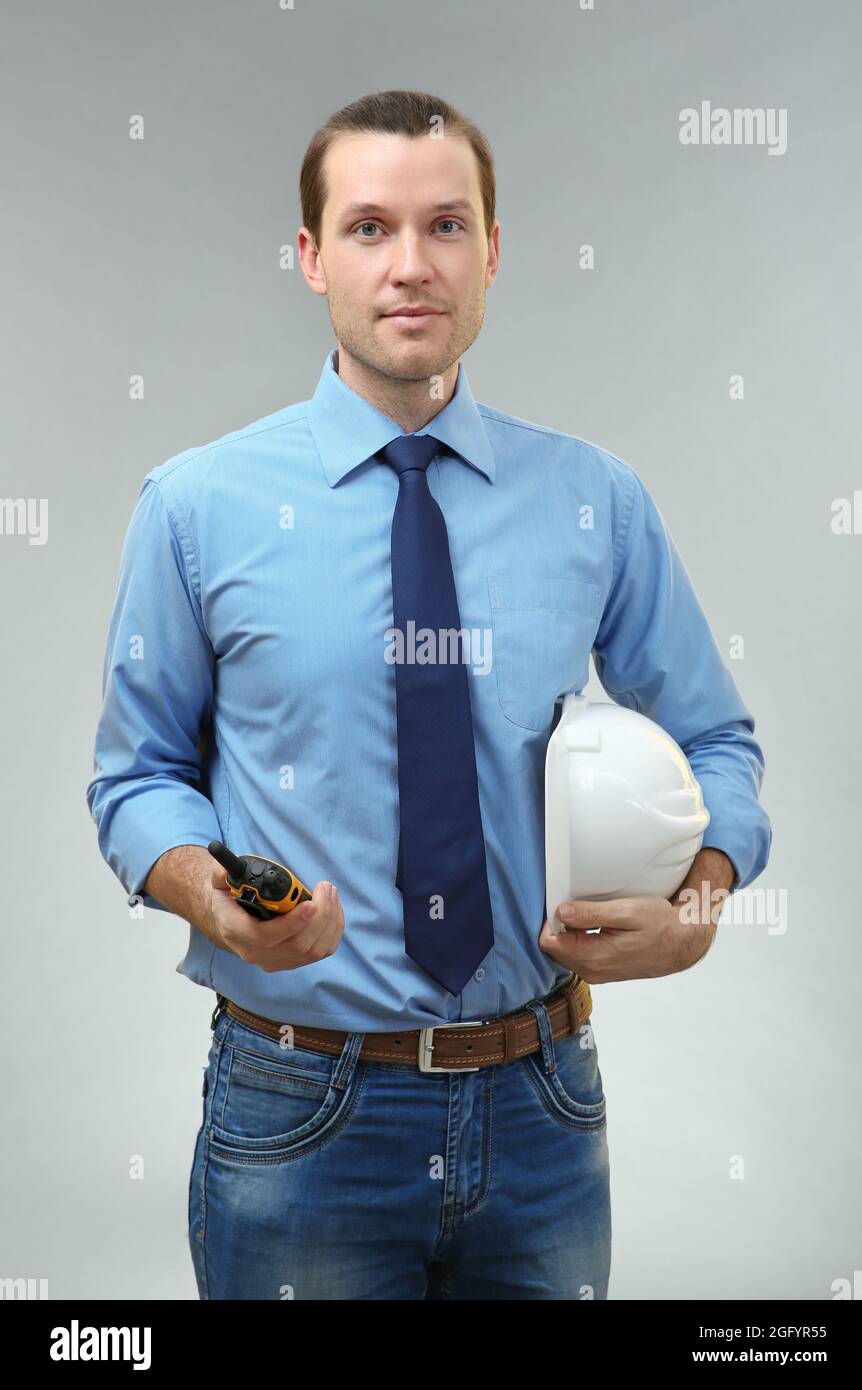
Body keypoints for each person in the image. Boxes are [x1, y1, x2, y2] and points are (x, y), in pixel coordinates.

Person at [86, 88, 771, 1301]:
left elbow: (716, 737)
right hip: (300, 1104)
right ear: (309, 258)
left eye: (447, 226)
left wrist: (703, 902)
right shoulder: (195, 508)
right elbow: (135, 779)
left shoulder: (594, 501)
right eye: (367, 229)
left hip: (544, 1104)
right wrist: (213, 894)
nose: (411, 265)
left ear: (493, 252)